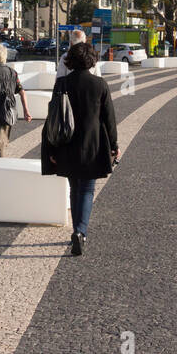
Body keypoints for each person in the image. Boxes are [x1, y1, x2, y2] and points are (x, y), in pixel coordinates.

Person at [41, 42, 119, 257]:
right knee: (87, 189)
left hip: (66, 144)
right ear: (92, 60)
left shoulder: (62, 83)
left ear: (71, 60)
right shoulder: (99, 84)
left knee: (74, 188)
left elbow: (53, 117)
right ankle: (80, 231)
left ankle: (77, 231)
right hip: (92, 144)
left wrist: (50, 148)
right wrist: (114, 145)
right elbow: (109, 119)